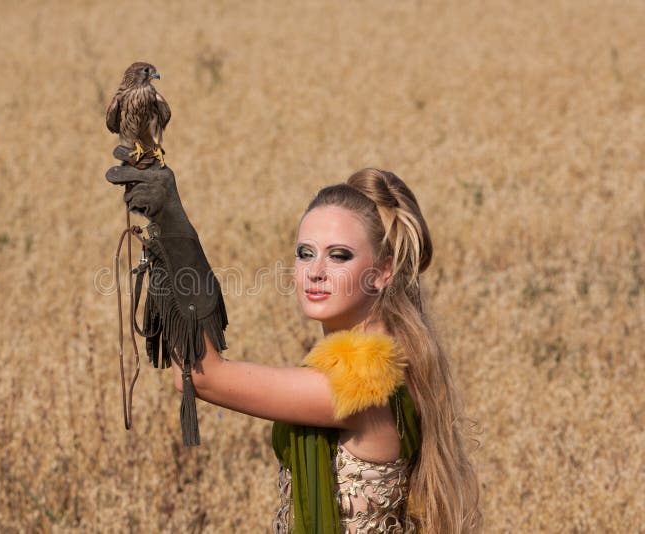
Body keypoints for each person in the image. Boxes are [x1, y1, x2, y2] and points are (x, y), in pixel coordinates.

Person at [107, 151, 481, 533]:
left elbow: (202, 375)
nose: (315, 271)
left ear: (382, 271)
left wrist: (173, 229)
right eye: (305, 253)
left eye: (340, 256)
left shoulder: (364, 383)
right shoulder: (390, 359)